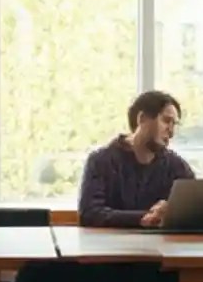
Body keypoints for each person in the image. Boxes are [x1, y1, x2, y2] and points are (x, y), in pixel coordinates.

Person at [78, 90, 196, 228]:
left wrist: (169, 211)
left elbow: (194, 208)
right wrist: (146, 217)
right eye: (166, 121)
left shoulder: (177, 167)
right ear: (142, 119)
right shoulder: (101, 161)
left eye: (174, 124)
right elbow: (89, 214)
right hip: (112, 247)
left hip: (163, 247)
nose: (171, 132)